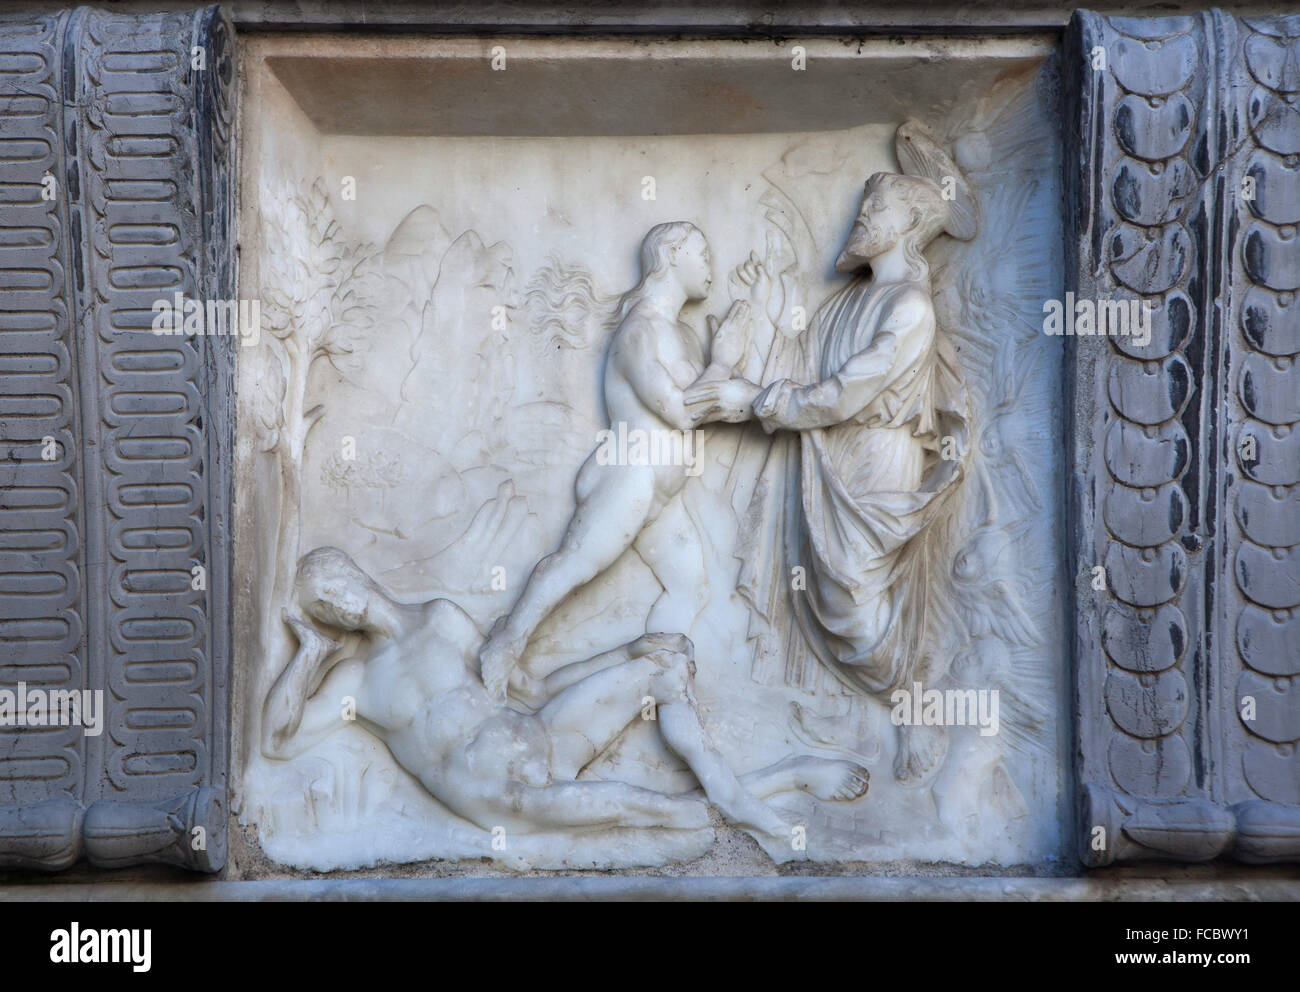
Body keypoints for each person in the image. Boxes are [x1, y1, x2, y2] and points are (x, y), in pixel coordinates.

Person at [263, 546, 870, 839]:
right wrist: (309, 656)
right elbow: (277, 739)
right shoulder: (358, 683)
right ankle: (784, 777)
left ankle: (737, 792)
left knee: (661, 670)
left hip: (540, 734)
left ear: (356, 569)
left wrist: (627, 651)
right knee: (663, 811)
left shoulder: (442, 619)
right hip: (503, 794)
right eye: (324, 602)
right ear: (328, 619)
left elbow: (526, 686)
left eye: (336, 579)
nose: (339, 597)